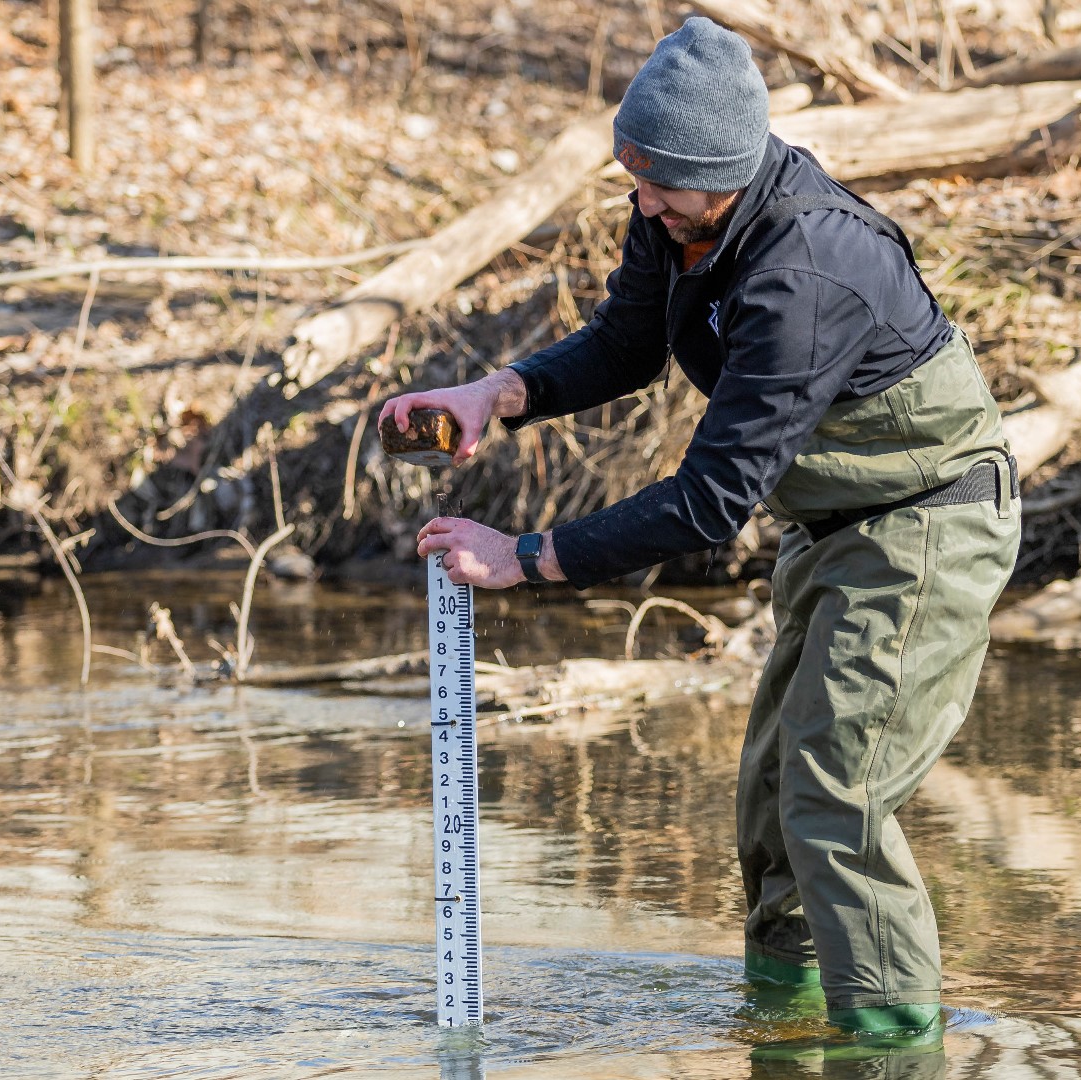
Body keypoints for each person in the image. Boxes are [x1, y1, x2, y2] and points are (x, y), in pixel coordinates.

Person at [379, 16, 1021, 1052]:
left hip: (927, 525)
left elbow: (713, 499)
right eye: (632, 177)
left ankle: (891, 1052)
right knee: (770, 803)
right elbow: (628, 341)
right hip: (829, 522)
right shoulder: (679, 211)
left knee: (838, 797)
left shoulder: (806, 272)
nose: (641, 203)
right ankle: (790, 1029)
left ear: (724, 172)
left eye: (660, 185)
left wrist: (525, 557)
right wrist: (497, 393)